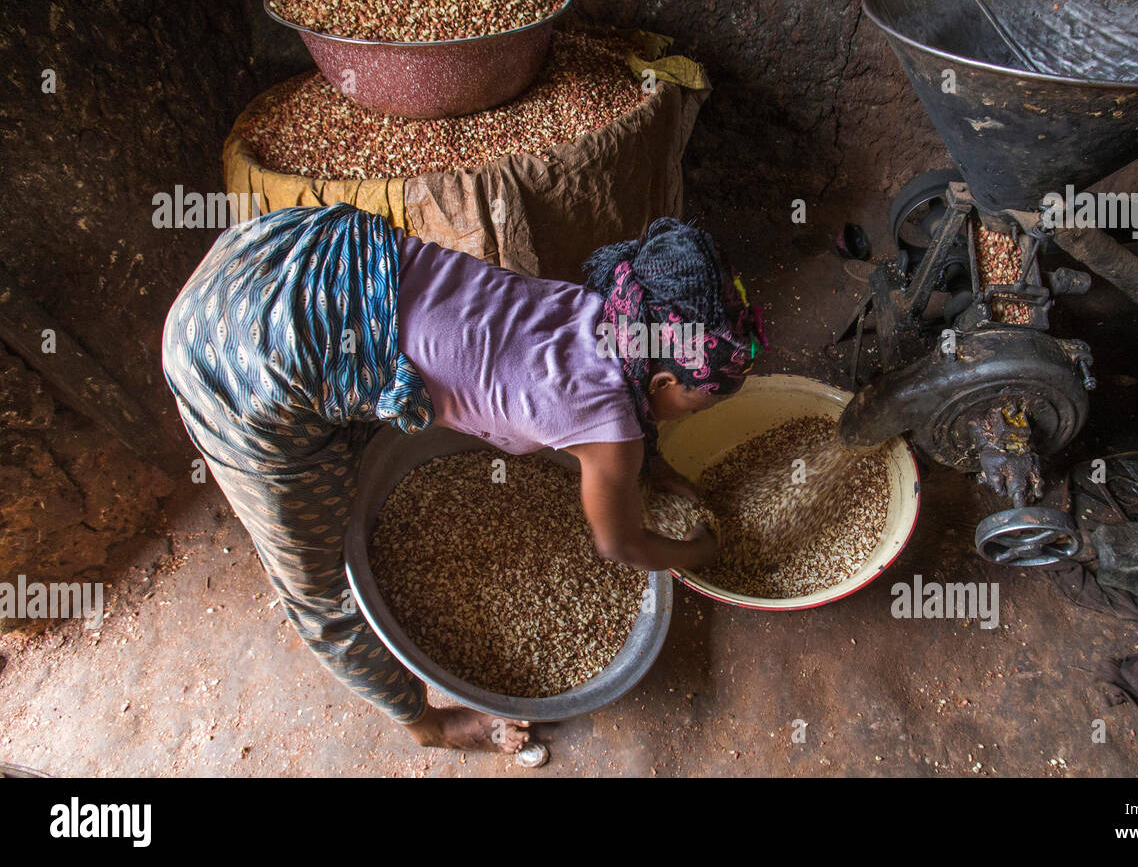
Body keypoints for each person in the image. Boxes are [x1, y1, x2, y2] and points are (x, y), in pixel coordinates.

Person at [161, 202, 765, 761]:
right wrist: (694, 552)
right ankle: (427, 726)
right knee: (318, 590)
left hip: (299, 251)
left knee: (352, 415)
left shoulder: (600, 310)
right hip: (236, 358)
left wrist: (650, 468)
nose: (693, 413)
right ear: (662, 383)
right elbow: (619, 546)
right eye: (697, 405)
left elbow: (618, 404)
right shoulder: (612, 435)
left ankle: (323, 406)